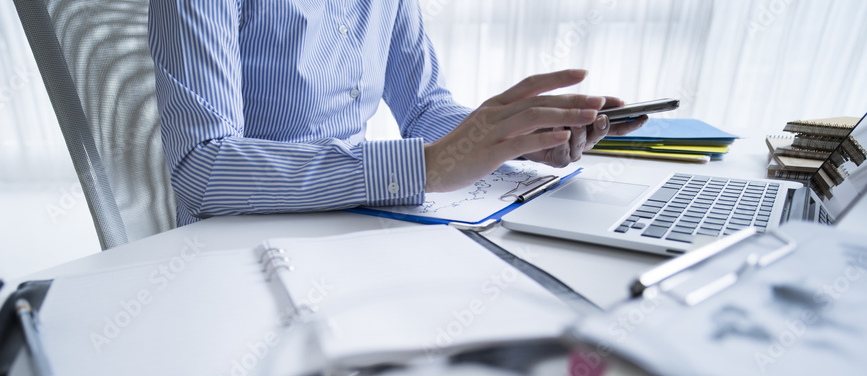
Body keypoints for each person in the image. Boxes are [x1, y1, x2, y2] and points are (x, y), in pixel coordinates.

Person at [148, 1, 646, 226]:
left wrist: (516, 138)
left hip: (355, 225)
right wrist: (425, 167)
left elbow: (426, 107)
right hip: (236, 248)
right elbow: (202, 167)